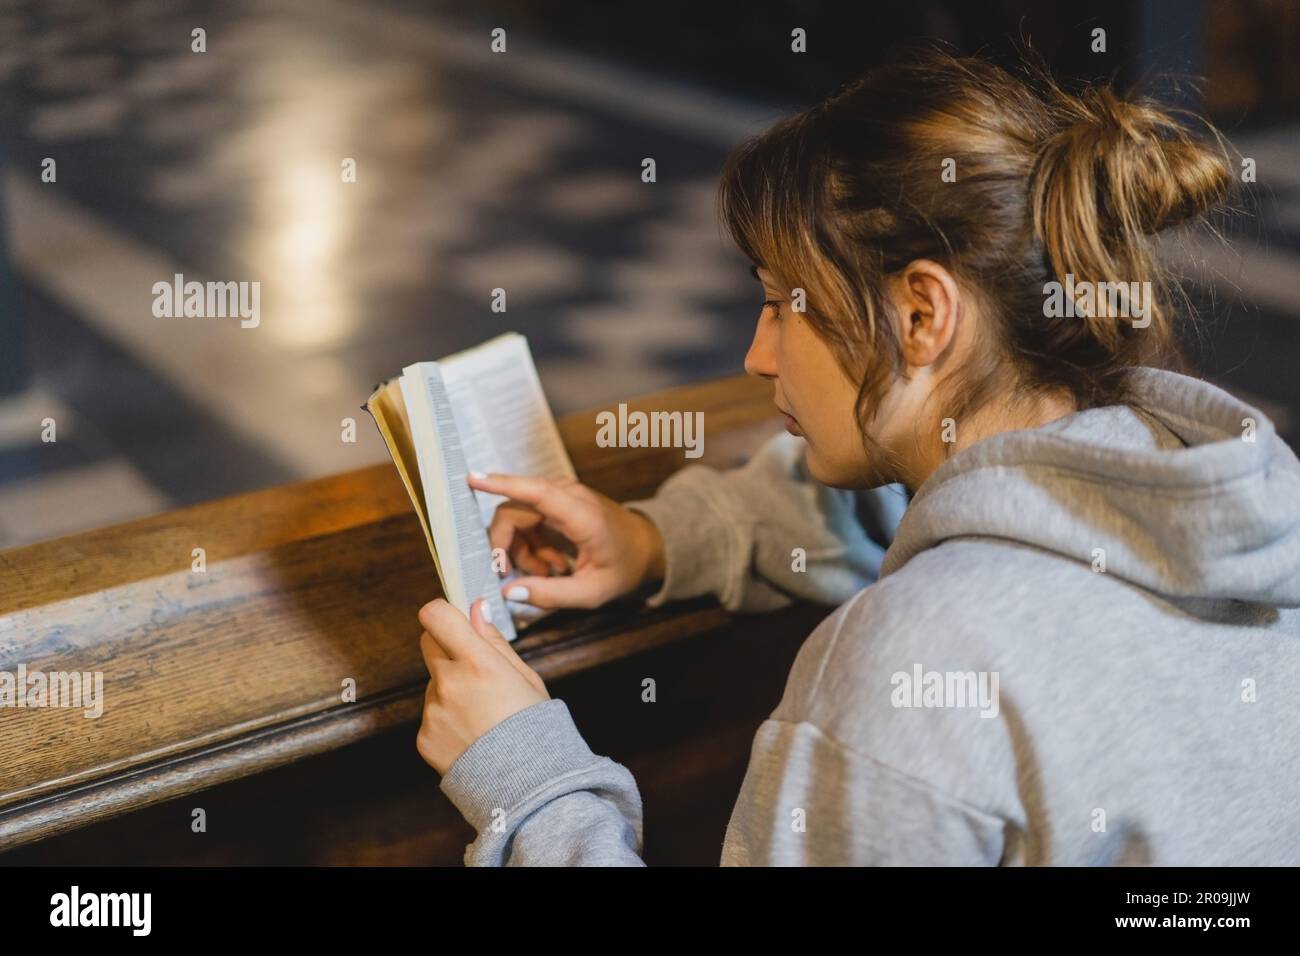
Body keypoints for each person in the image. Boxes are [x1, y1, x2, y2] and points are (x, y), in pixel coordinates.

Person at [411, 50, 1300, 865]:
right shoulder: (1225, 506)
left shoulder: (910, 663)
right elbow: (949, 507)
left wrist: (527, 784)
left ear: (922, 315)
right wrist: (658, 542)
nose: (760, 356)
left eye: (781, 303)